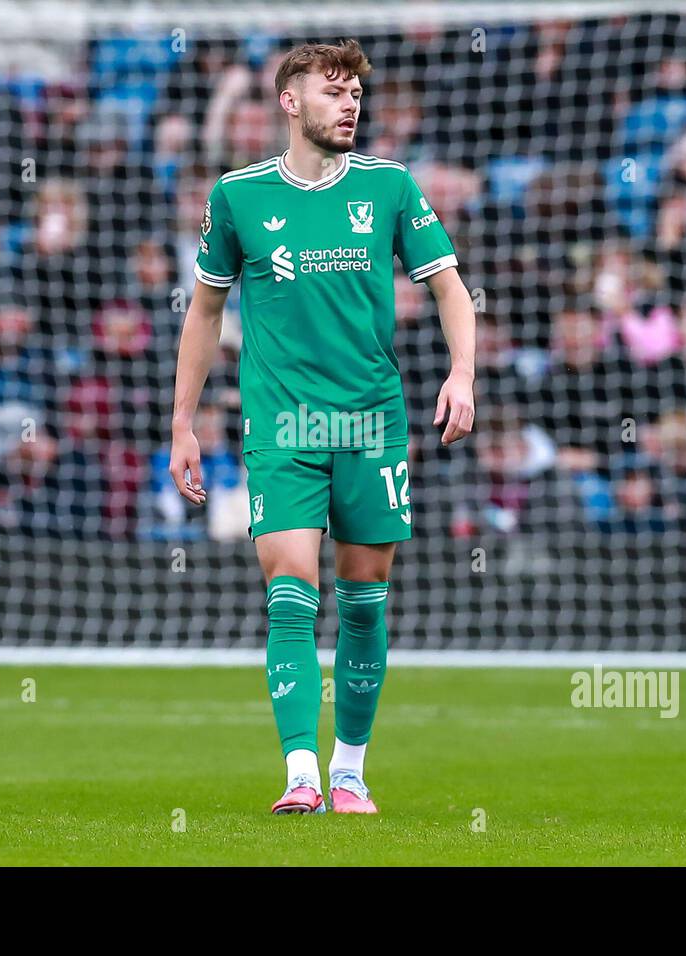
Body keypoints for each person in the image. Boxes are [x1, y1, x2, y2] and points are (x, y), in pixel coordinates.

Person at [168, 40, 476, 815]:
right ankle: (301, 770)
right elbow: (204, 311)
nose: (350, 105)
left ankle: (350, 769)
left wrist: (462, 373)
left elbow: (450, 289)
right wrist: (181, 424)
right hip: (282, 427)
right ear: (289, 101)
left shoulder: (391, 187)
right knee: (290, 591)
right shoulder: (238, 196)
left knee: (365, 599)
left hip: (372, 425)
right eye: (333, 93)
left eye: (356, 95)